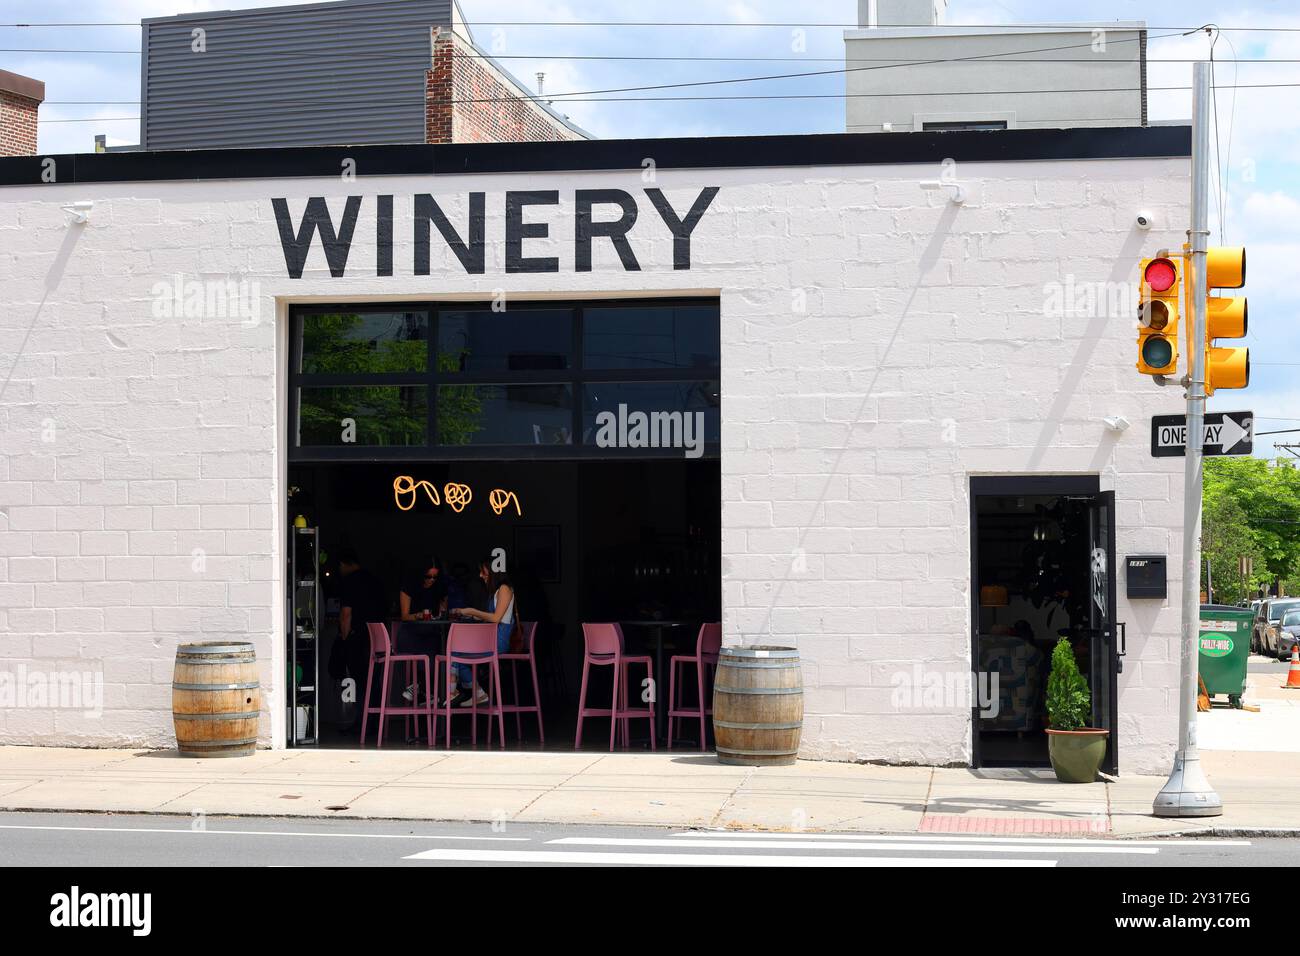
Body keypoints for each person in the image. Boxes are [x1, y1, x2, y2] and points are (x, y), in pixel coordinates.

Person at [447, 558, 518, 708]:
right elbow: (491, 617)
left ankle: (458, 693)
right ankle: (476, 693)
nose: (480, 575)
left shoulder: (504, 588)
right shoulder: (495, 591)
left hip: (499, 642)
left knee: (455, 655)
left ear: (493, 571)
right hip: (491, 640)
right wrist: (473, 615)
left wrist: (472, 611)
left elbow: (496, 618)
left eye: (483, 571)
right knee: (456, 653)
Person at [336, 547, 388, 725]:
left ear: (344, 564)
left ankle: (356, 723)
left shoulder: (349, 582)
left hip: (357, 638)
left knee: (356, 682)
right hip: (378, 639)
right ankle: (373, 723)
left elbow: (346, 614)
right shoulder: (375, 580)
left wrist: (344, 639)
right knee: (373, 682)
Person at [400, 556, 447, 622]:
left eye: (435, 577)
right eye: (428, 576)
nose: (432, 579)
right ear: (421, 574)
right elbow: (404, 616)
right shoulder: (410, 586)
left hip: (433, 628)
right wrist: (418, 615)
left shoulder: (440, 587)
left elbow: (443, 613)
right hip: (411, 628)